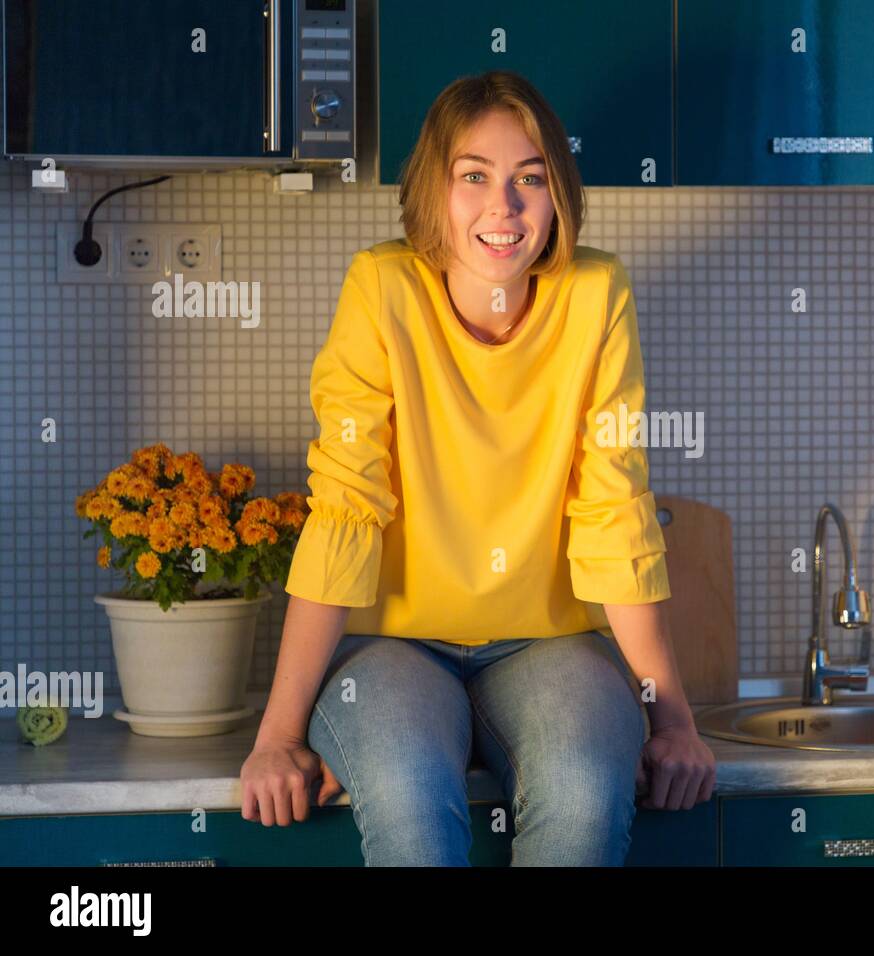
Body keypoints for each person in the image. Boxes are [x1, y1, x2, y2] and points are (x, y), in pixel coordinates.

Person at [238, 70, 715, 866]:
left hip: (547, 645)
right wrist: (278, 738)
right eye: (475, 177)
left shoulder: (596, 297)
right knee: (410, 805)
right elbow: (347, 508)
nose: (506, 206)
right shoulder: (382, 289)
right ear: (435, 190)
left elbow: (614, 511)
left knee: (585, 795)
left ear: (559, 193)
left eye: (531, 178)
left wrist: (675, 723)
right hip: (392, 646)